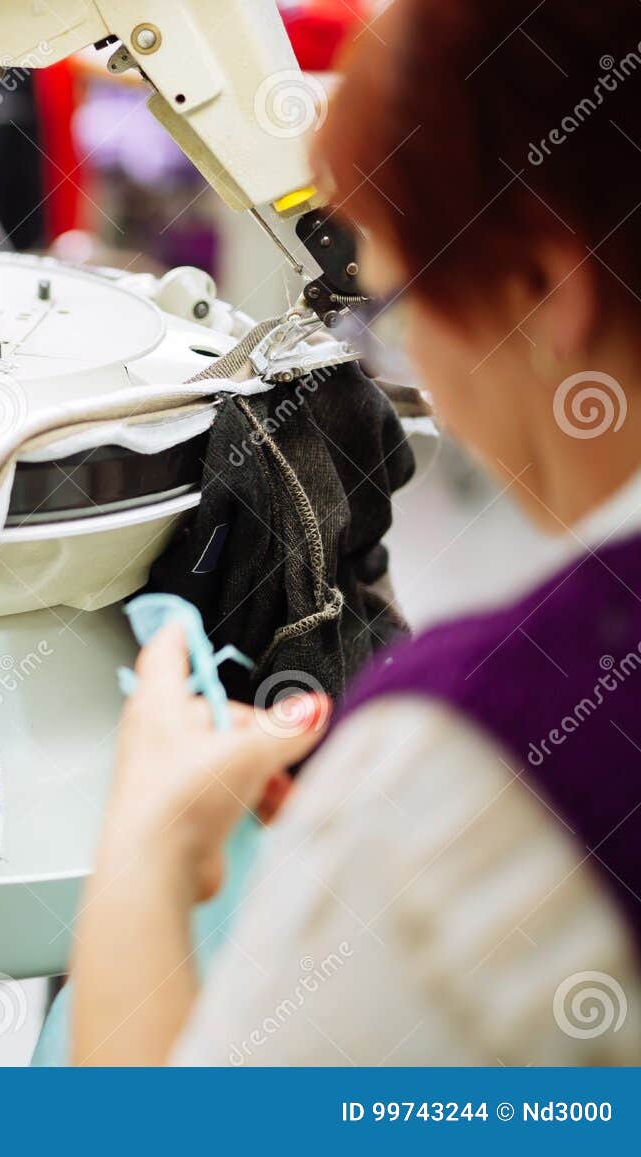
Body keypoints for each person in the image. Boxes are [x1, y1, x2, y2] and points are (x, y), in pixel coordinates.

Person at [70, 0, 641, 1065]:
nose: (405, 352)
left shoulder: (472, 765)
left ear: (536, 288)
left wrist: (148, 836)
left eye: (396, 299)